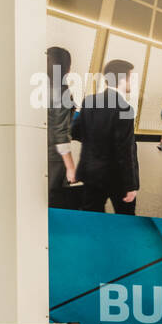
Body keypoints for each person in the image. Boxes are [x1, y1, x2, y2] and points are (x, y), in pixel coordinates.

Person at [72, 59, 139, 214]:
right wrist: (131, 185)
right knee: (126, 220)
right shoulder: (125, 108)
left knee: (91, 217)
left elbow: (75, 131)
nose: (131, 82)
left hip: (90, 173)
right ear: (122, 79)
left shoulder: (89, 101)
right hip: (117, 177)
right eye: (130, 78)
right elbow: (125, 150)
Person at [45, 46, 77, 208]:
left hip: (36, 152)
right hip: (54, 157)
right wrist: (70, 167)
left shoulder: (37, 88)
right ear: (66, 67)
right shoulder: (62, 90)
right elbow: (60, 133)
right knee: (54, 199)